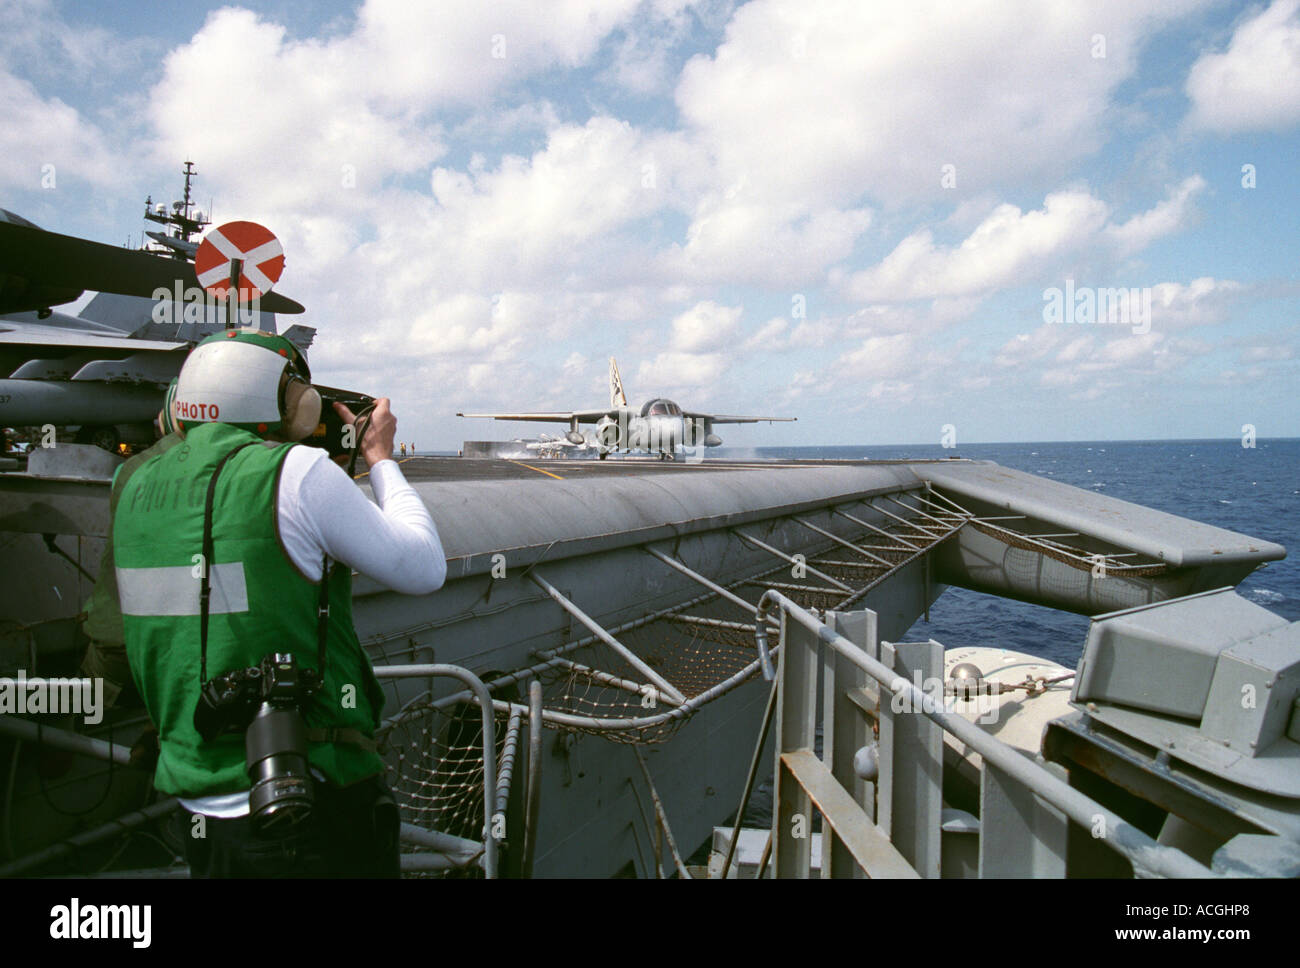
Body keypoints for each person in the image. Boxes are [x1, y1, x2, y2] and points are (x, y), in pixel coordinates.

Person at [113, 328, 445, 877]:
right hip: (309, 808)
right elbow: (423, 567)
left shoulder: (130, 483)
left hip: (201, 815)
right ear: (285, 398)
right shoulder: (295, 473)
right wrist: (380, 458)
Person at [81, 382, 183, 711]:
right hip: (177, 651)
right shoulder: (237, 468)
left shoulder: (129, 471)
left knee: (77, 721)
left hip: (115, 644)